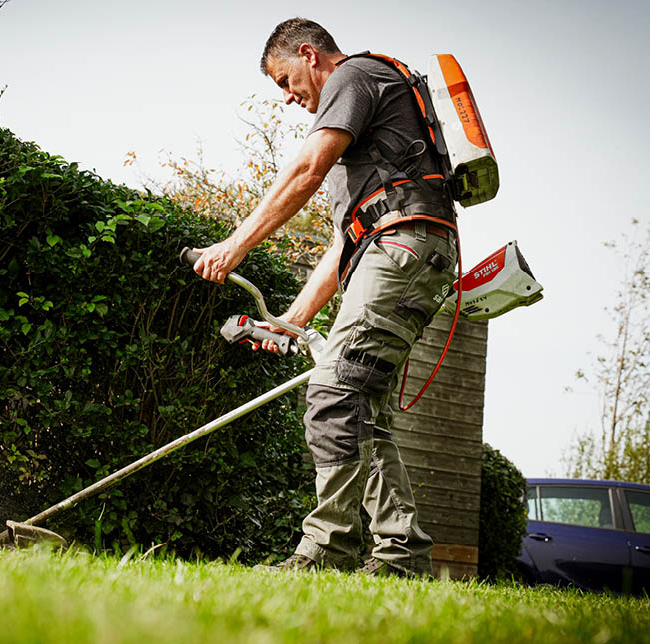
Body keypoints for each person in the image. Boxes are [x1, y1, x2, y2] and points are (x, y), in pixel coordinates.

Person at [192, 18, 458, 577]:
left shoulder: (354, 76)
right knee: (359, 405)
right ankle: (401, 555)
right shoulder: (367, 146)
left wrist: (234, 245)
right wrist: (293, 319)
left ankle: (325, 550)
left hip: (403, 252)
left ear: (309, 54)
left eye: (285, 80)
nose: (289, 98)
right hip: (400, 250)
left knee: (334, 395)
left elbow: (306, 170)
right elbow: (347, 242)